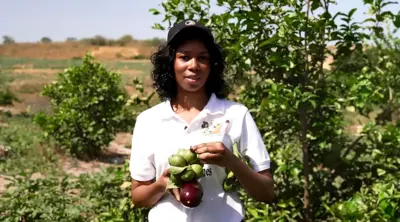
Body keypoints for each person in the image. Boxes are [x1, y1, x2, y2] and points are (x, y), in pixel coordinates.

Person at [129, 19, 274, 222]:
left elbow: (267, 192)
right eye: (184, 57)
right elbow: (138, 198)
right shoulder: (149, 120)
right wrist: (163, 184)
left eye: (202, 58)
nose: (194, 65)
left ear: (211, 65)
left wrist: (230, 161)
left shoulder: (235, 114)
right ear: (170, 63)